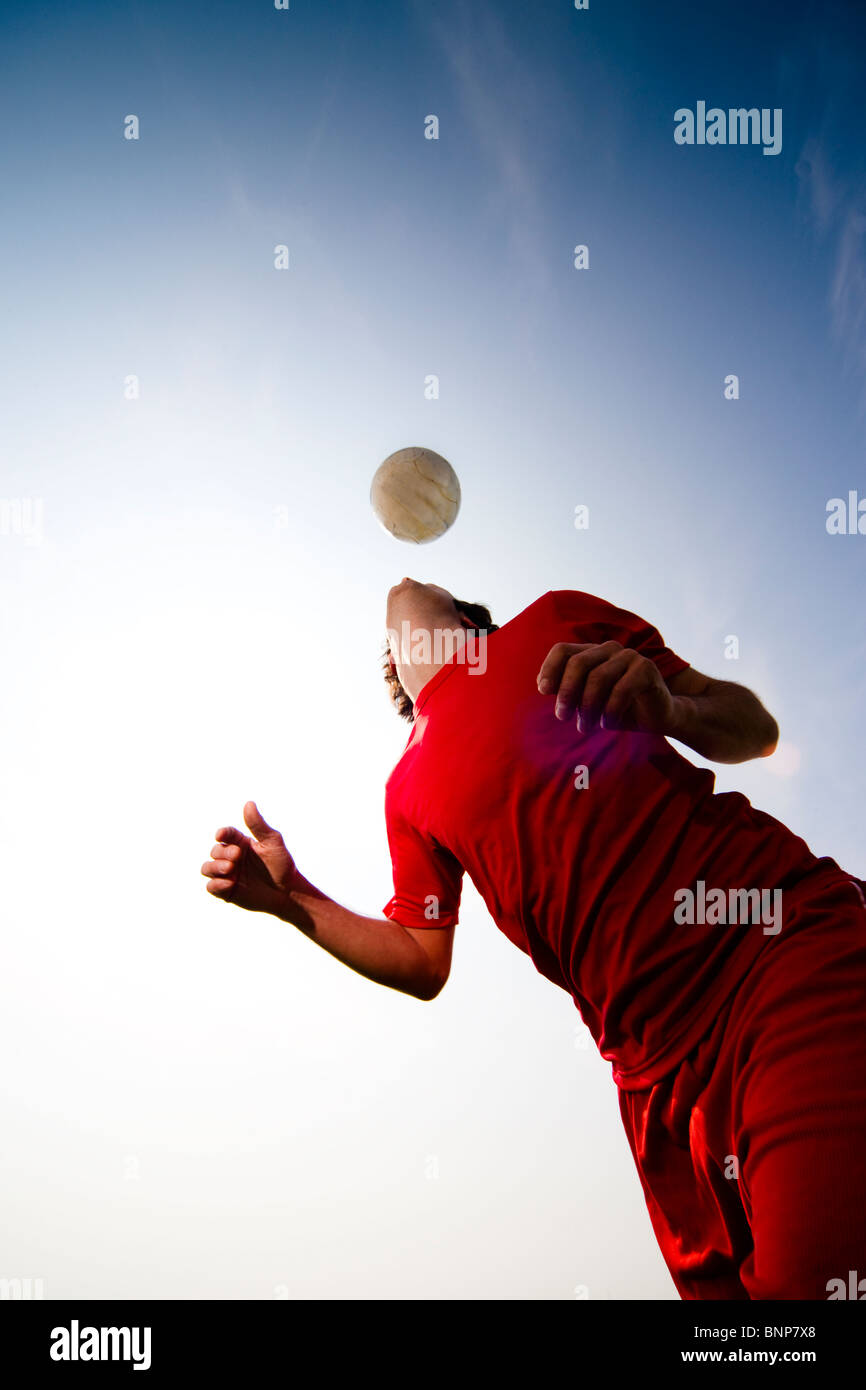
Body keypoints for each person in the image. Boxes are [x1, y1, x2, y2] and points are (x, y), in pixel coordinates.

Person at [201, 578, 866, 1300]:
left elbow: (754, 727)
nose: (392, 641)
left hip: (775, 958)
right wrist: (293, 899)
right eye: (386, 651)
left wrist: (672, 707)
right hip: (653, 1085)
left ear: (464, 618)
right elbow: (423, 958)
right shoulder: (407, 788)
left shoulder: (555, 618)